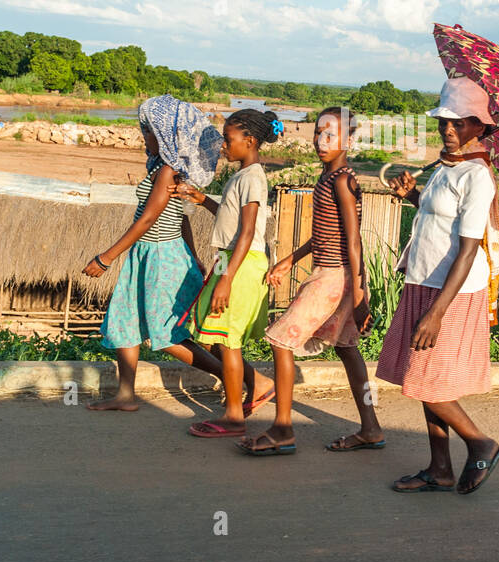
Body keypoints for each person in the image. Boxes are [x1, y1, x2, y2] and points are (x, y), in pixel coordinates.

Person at [83, 95, 273, 412]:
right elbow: (182, 214)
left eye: (149, 131)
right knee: (125, 321)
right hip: (145, 254)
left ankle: (243, 379)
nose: (144, 137)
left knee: (168, 331)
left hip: (161, 254)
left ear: (166, 135)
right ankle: (126, 394)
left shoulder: (170, 169)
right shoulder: (160, 166)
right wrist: (194, 253)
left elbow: (149, 218)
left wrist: (107, 256)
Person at [377, 76, 499, 495]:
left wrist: (436, 313)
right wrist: (414, 196)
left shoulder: (477, 176)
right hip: (424, 282)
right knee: (428, 382)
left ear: (480, 127)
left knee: (427, 382)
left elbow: (468, 249)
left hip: (450, 293)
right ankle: (439, 468)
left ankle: (480, 442)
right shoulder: (447, 170)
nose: (448, 130)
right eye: (443, 123)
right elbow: (437, 221)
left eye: (459, 123)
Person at [240, 107, 381, 456]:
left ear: (348, 140)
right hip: (331, 273)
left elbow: (353, 240)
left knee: (280, 340)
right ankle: (372, 428)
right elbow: (324, 235)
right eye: (318, 133)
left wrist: (361, 292)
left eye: (330, 135)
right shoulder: (327, 178)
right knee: (348, 349)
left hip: (335, 277)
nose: (321, 141)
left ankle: (283, 429)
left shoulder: (343, 181)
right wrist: (291, 259)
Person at [173, 109, 281, 437]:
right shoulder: (243, 175)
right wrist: (202, 199)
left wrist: (227, 279)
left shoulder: (251, 178)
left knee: (227, 341)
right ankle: (255, 388)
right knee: (215, 334)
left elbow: (247, 232)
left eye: (228, 139)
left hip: (239, 264)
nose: (222, 145)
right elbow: (231, 220)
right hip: (229, 259)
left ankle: (234, 417)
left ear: (249, 141)